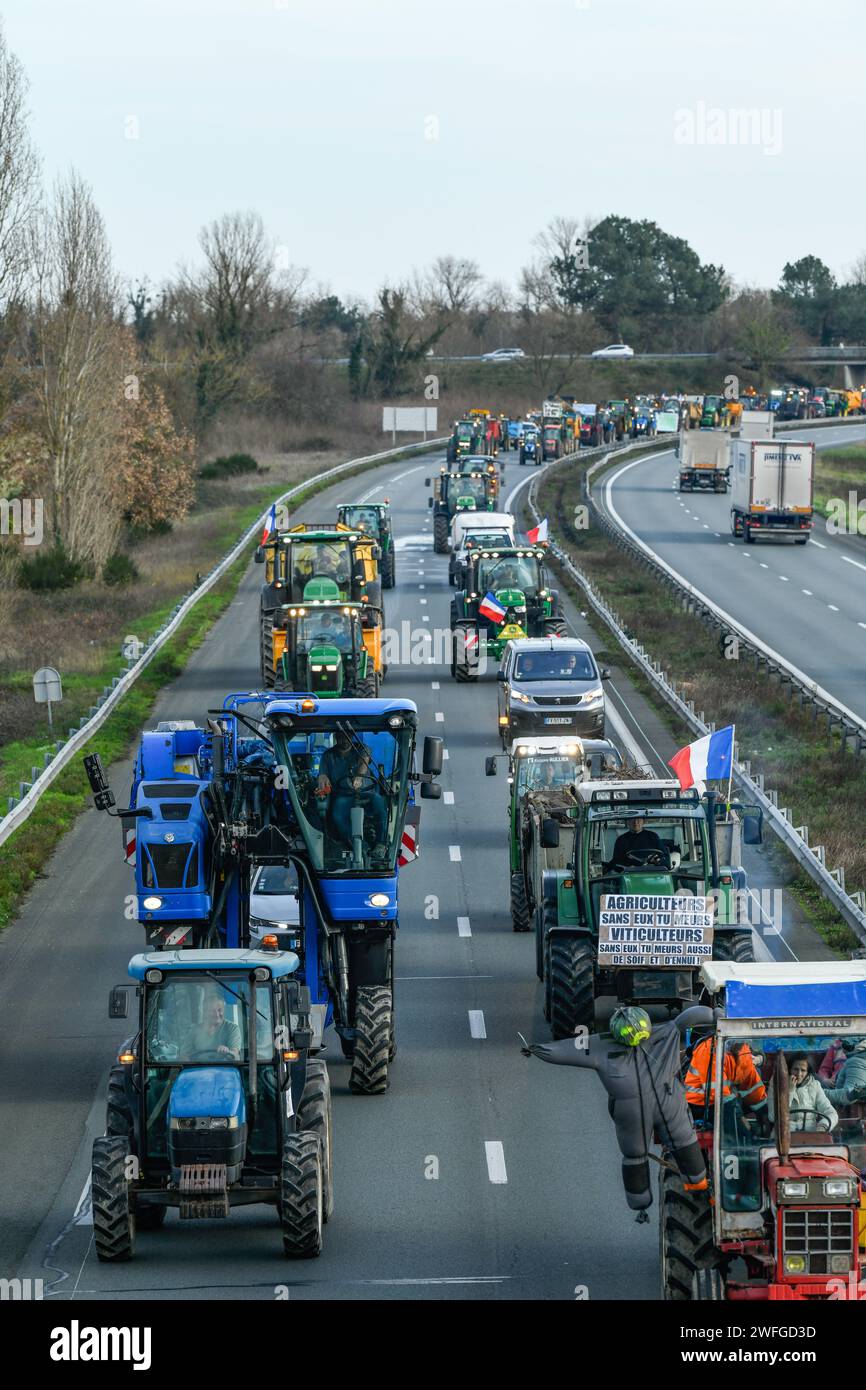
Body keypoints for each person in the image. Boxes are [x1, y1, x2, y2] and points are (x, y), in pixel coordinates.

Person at [524, 1005, 715, 1214]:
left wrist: (537, 1049)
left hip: (632, 1112)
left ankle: (642, 1201)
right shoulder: (664, 1034)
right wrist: (716, 1016)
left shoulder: (601, 1045)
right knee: (679, 1140)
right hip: (665, 1104)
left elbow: (568, 1049)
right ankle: (695, 1181)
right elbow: (687, 1018)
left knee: (636, 1155)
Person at [316, 730, 388, 860]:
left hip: (366, 792)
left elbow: (363, 762)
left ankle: (381, 844)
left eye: (347, 737)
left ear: (351, 737)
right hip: (343, 795)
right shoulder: (328, 756)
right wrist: (322, 778)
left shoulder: (361, 748)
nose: (344, 741)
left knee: (379, 804)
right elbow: (322, 774)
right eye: (341, 738)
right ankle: (360, 847)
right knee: (337, 815)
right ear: (336, 738)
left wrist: (359, 777)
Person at [685, 1037, 770, 1131]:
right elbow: (720, 1095)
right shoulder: (709, 1050)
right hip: (699, 1105)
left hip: (725, 1099)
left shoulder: (744, 1051)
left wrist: (765, 1115)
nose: (745, 1042)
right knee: (737, 1131)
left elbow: (752, 1087)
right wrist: (739, 1120)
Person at [784, 1054, 838, 1132]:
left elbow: (831, 1113)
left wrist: (823, 1126)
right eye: (795, 1069)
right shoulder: (778, 1085)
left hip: (812, 1134)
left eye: (803, 1070)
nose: (799, 1074)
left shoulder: (815, 1086)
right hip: (785, 1134)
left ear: (808, 1072)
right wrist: (790, 1091)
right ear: (789, 1070)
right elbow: (773, 1116)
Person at [184, 990, 242, 1059]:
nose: (217, 1014)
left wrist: (228, 1051)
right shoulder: (194, 1030)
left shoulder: (232, 1028)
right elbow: (183, 1056)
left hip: (224, 1068)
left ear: (224, 1010)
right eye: (212, 1011)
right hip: (198, 1068)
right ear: (204, 1012)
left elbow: (236, 1055)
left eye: (219, 1010)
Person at [819, 1037, 866, 1106]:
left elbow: (848, 1095)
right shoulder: (835, 1046)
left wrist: (815, 1094)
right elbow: (824, 1069)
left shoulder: (856, 1062)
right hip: (834, 1085)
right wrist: (825, 1079)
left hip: (846, 1107)